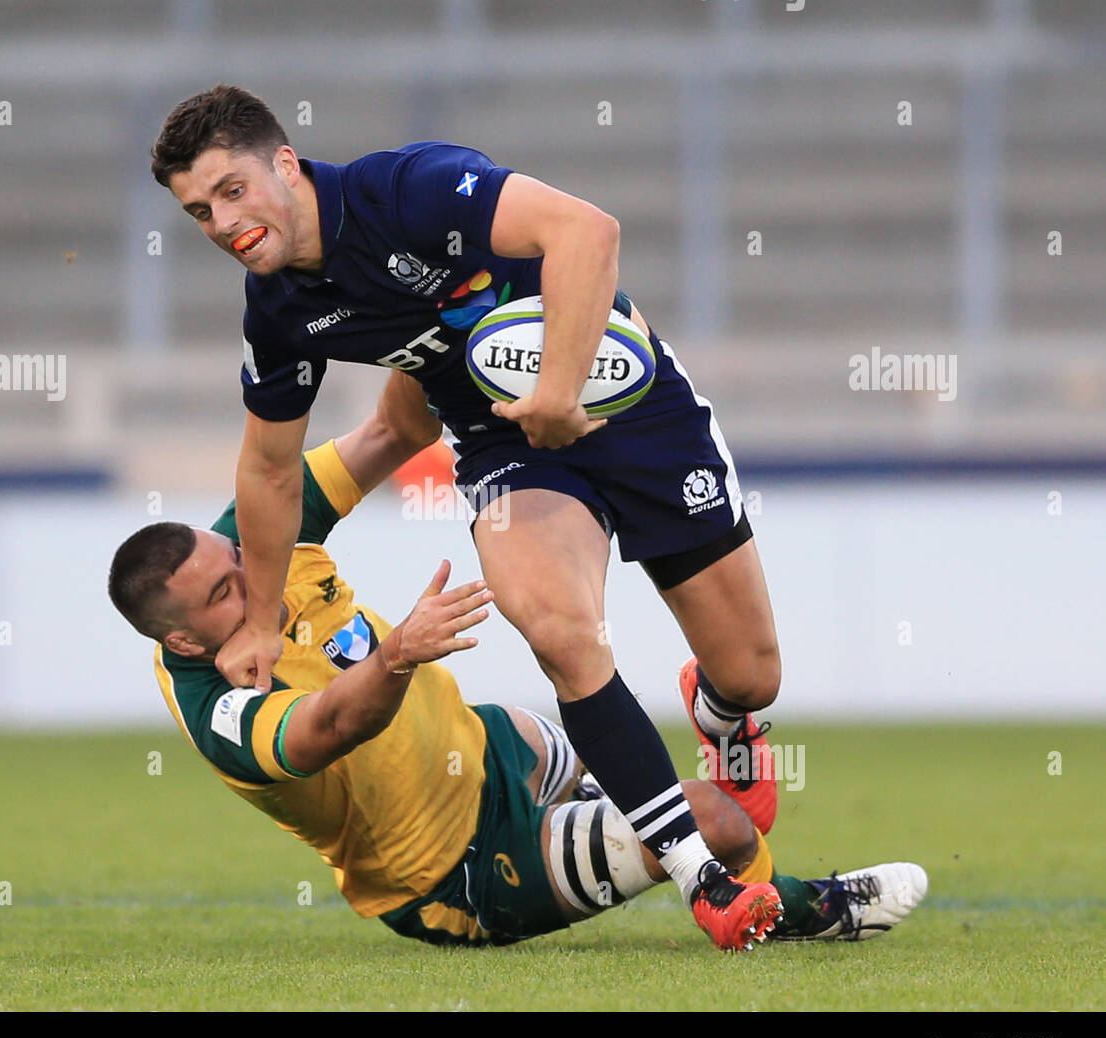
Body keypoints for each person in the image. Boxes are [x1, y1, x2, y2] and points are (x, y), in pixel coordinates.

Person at [149, 85, 787, 944]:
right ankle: (697, 875)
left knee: (751, 671)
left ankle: (723, 716)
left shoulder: (407, 190)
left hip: (623, 398)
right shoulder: (280, 313)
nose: (223, 223)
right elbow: (267, 470)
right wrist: (260, 621)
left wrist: (559, 388)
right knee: (558, 628)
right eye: (198, 212)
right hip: (502, 441)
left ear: (286, 166)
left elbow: (587, 232)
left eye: (232, 191)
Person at [107, 392, 928, 949]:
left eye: (238, 557)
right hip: (453, 869)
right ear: (183, 643)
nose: (250, 576)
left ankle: (726, 741)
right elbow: (329, 726)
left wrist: (417, 310)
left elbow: (393, 432)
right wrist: (396, 655)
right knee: (714, 825)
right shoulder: (215, 706)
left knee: (648, 770)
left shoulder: (259, 541)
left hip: (498, 744)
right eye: (221, 592)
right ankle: (818, 911)